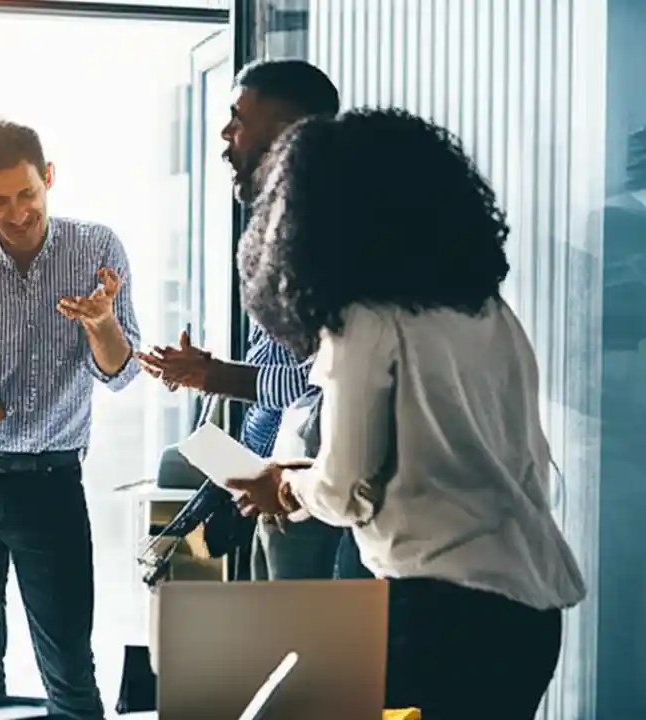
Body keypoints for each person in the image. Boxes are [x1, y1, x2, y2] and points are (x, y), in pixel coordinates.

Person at [224, 108, 587, 717]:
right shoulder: (486, 312)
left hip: (438, 617)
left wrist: (284, 485)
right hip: (530, 616)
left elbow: (344, 494)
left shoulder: (363, 321)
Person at [0, 119, 141, 718]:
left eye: (27, 195)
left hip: (50, 482)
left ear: (48, 179)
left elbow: (121, 374)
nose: (16, 213)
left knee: (70, 665)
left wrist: (102, 325)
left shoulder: (96, 249)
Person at [137, 59, 359, 581]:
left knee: (302, 649)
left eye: (238, 118)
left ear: (284, 134)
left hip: (305, 487)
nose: (224, 133)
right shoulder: (284, 228)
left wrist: (215, 377)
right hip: (273, 475)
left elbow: (319, 382)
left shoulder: (323, 238)